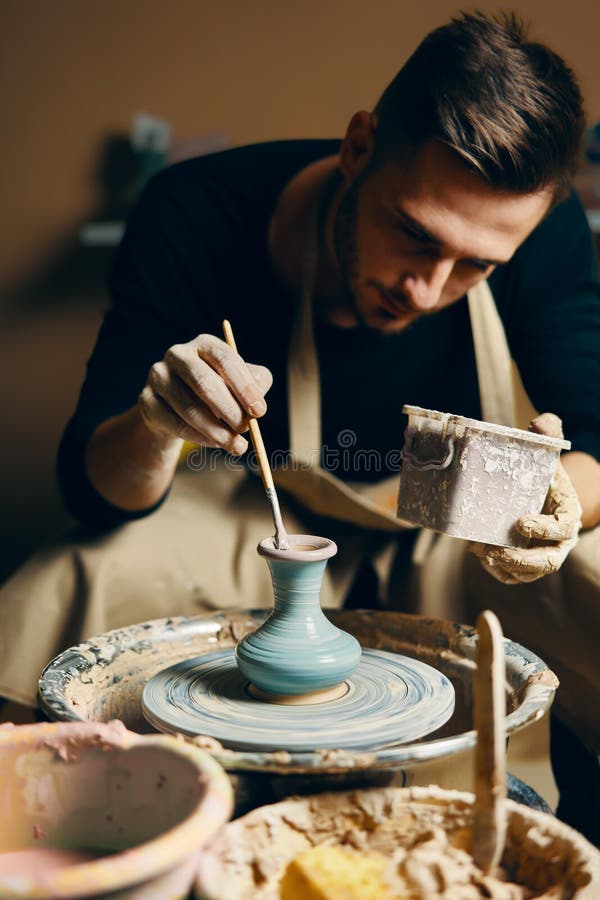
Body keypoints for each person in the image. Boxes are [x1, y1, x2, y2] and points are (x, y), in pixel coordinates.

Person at [1, 11, 599, 840]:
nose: (426, 289)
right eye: (413, 234)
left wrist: (556, 502)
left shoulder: (544, 227)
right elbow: (97, 491)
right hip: (247, 497)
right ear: (359, 147)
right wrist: (154, 423)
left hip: (453, 508)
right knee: (69, 578)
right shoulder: (195, 208)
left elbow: (598, 444)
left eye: (475, 266)